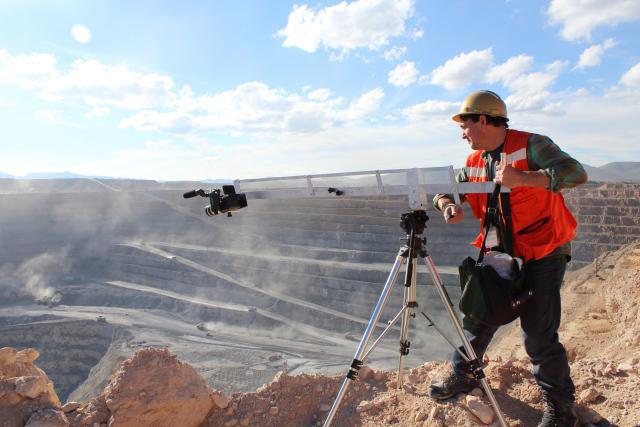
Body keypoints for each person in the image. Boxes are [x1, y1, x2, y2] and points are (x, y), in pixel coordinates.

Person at [429, 90, 587, 427]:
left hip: (544, 251)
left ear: (483, 120)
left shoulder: (532, 145)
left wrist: (526, 179)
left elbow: (575, 173)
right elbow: (447, 190)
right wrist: (448, 205)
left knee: (538, 332)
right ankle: (464, 375)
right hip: (500, 253)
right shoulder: (473, 163)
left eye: (465, 125)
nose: (462, 133)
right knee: (479, 314)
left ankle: (561, 410)